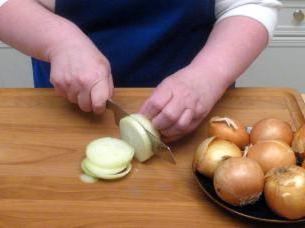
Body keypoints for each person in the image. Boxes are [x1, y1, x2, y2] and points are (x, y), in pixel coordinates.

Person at [0, 0, 281, 142]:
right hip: (67, 108)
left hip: (197, 113)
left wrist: (207, 76)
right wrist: (59, 42)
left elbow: (250, 4)